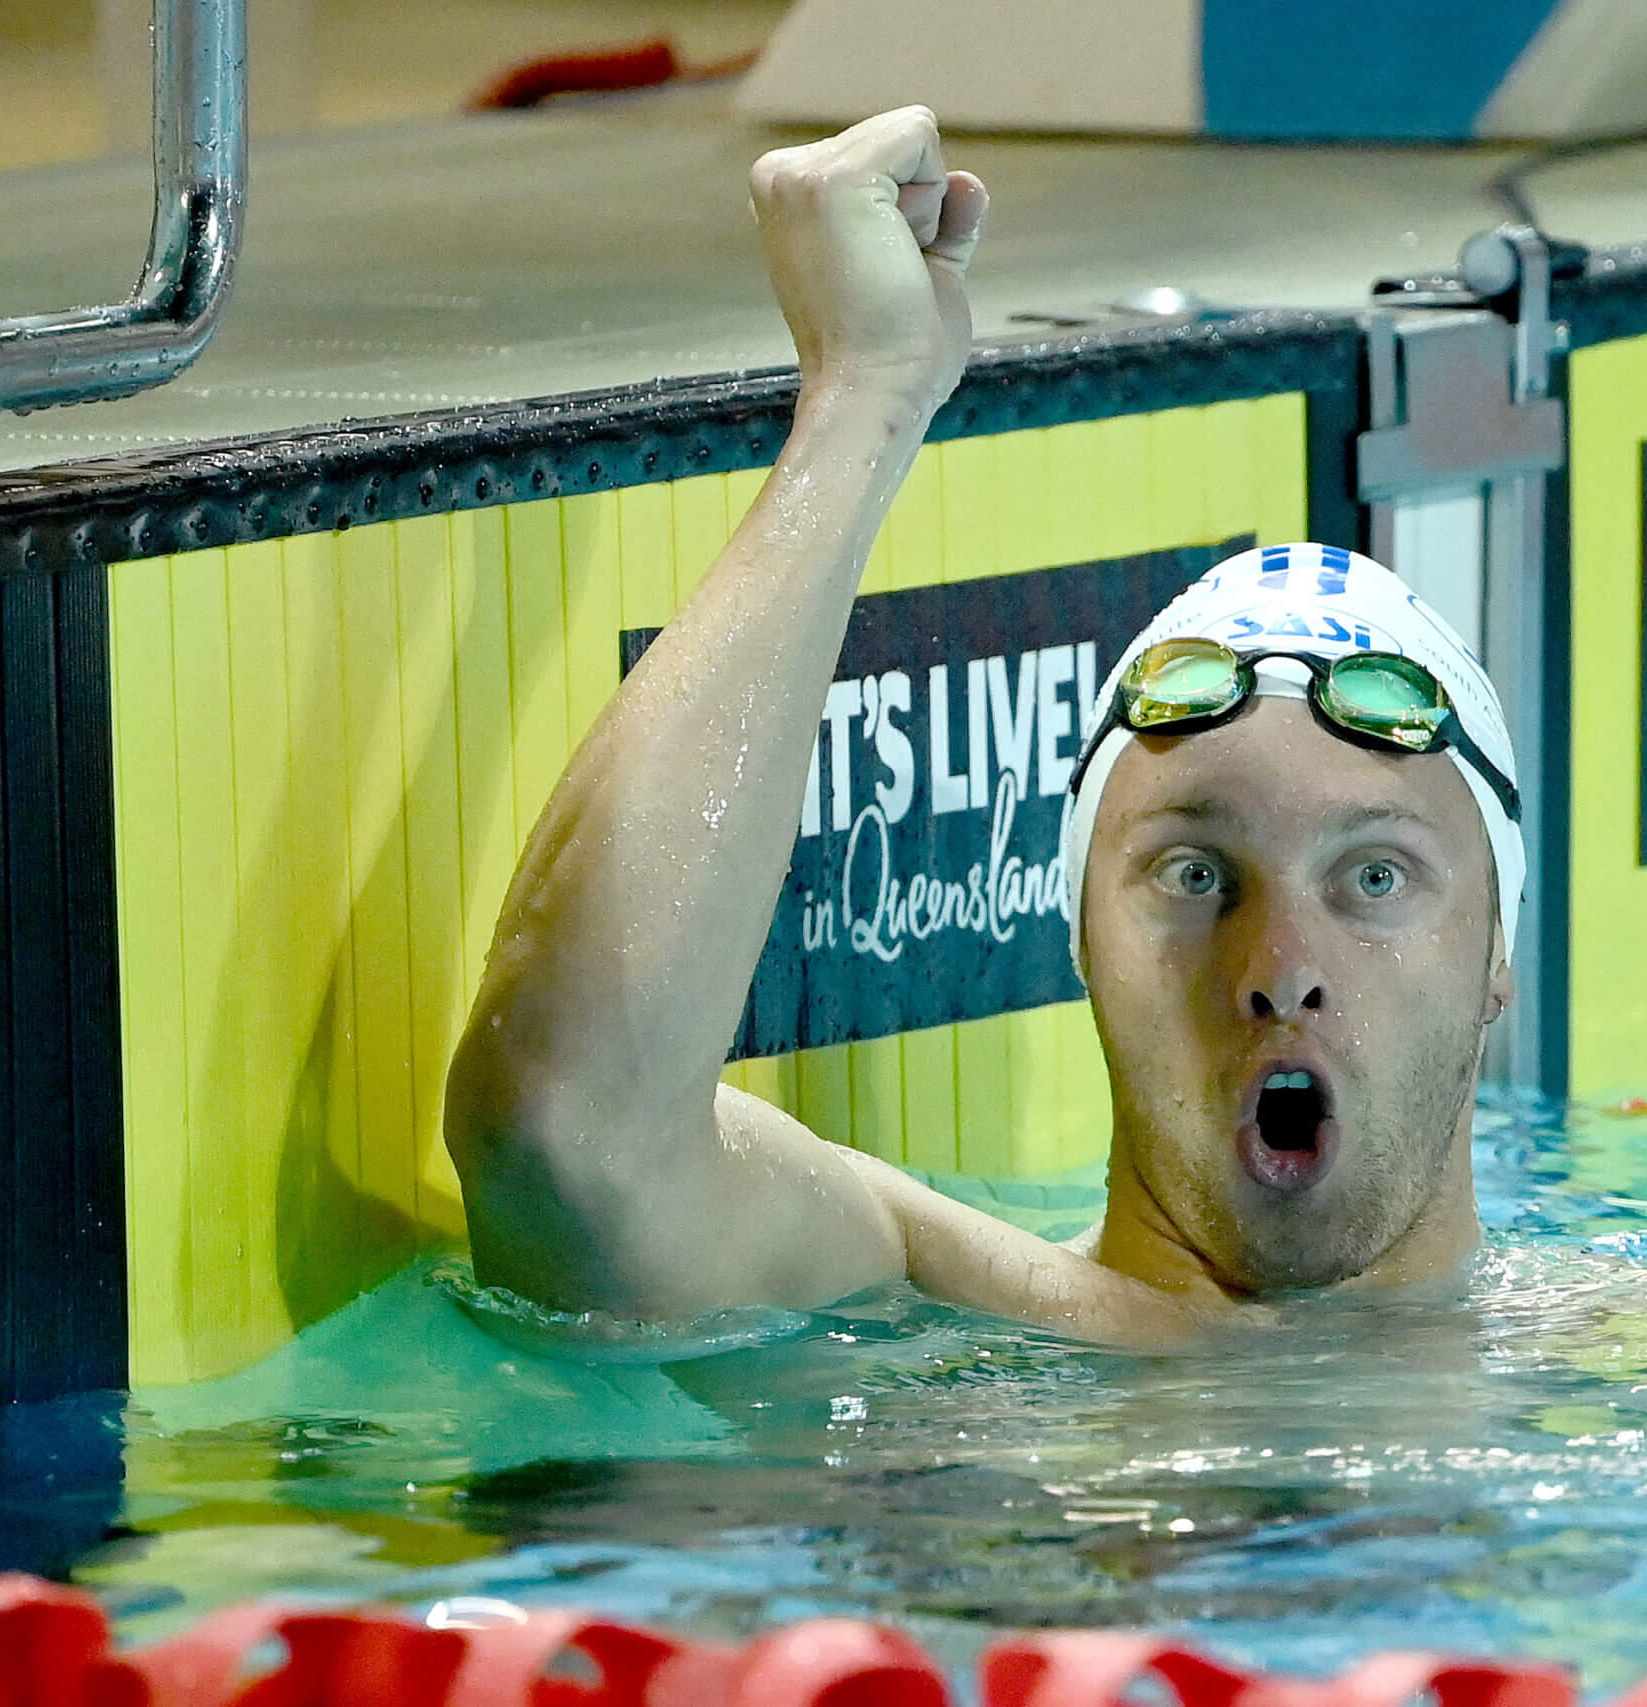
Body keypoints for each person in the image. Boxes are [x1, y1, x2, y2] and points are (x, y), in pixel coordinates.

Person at [444, 106, 1521, 1348]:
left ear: (1498, 948)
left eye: (1375, 875)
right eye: (1190, 875)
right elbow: (570, 1145)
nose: (1281, 967)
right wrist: (865, 398)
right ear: (1077, 934)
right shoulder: (928, 1307)